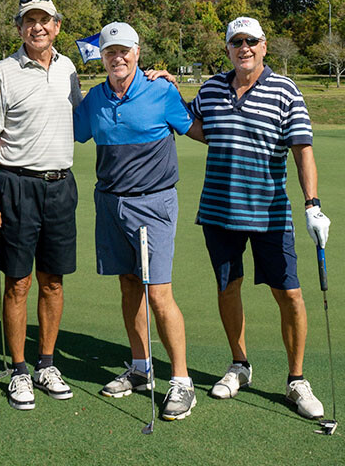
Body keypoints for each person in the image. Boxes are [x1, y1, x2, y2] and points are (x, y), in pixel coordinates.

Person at [188, 16, 332, 419]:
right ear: (228, 49)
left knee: (289, 293)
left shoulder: (285, 90)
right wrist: (161, 84)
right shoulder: (211, 88)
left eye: (251, 41)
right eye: (236, 42)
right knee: (227, 287)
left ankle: (296, 379)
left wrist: (312, 204)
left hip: (270, 213)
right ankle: (239, 365)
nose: (244, 48)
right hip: (219, 210)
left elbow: (302, 149)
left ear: (264, 46)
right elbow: (189, 122)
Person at [73, 22, 197, 421]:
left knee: (158, 293)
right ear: (102, 57)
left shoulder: (161, 91)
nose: (118, 58)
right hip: (111, 203)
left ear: (137, 53)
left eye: (124, 51)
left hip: (153, 204)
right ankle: (141, 367)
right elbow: (71, 131)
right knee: (128, 285)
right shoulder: (95, 99)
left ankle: (182, 380)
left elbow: (196, 128)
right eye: (110, 52)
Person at [0, 0, 82, 411]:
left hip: (61, 186)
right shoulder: (4, 70)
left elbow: (86, 114)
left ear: (57, 26)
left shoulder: (68, 68)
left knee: (53, 280)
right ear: (20, 27)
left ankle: (46, 364)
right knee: (18, 281)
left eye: (44, 20)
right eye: (29, 20)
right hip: (16, 185)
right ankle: (20, 370)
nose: (37, 27)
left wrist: (150, 81)